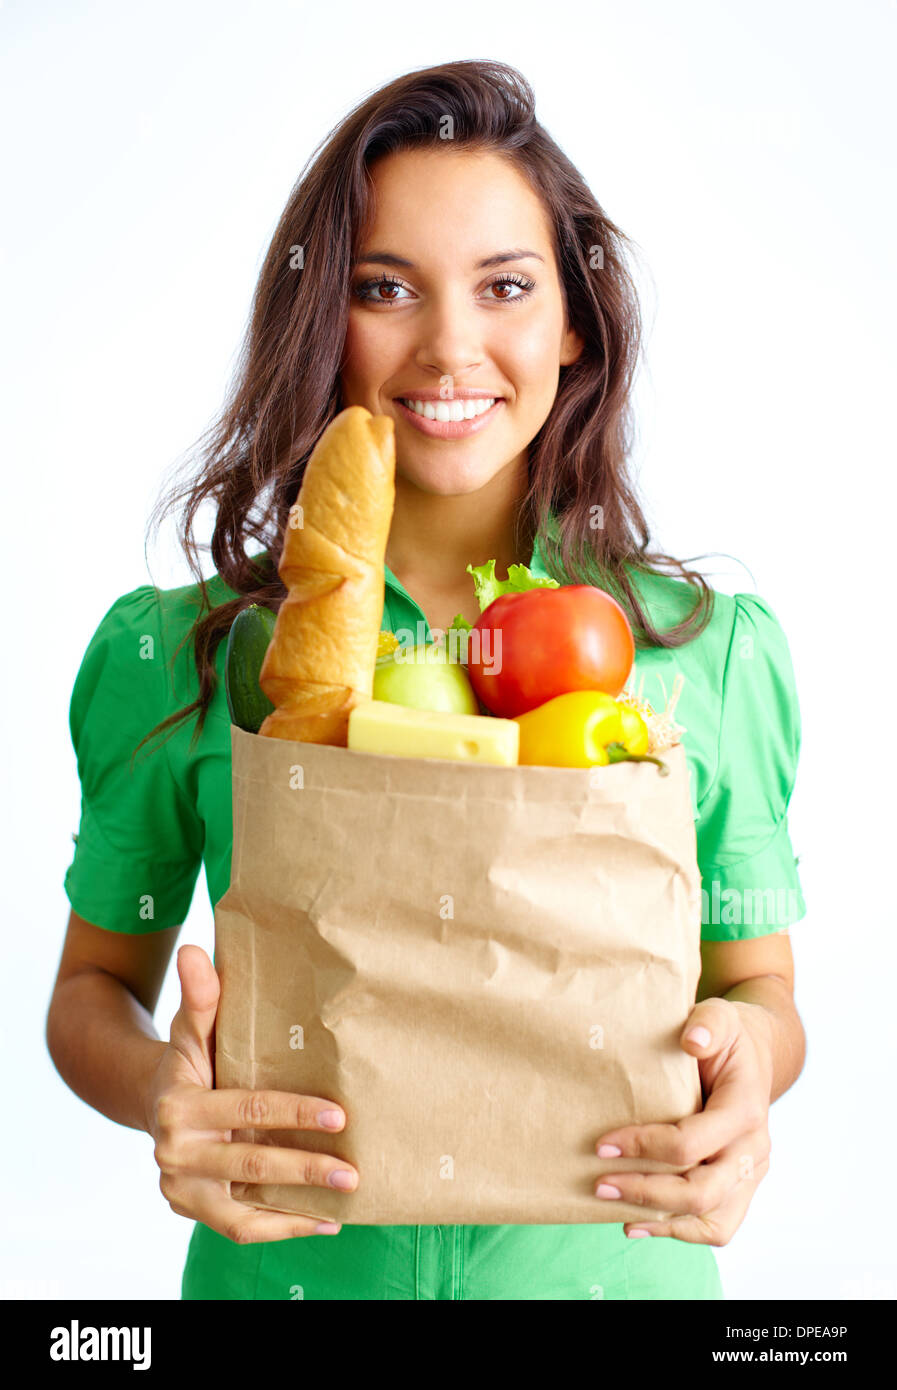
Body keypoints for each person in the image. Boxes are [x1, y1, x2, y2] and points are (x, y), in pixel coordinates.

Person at [47, 59, 807, 1301]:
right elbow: (92, 994)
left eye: (506, 286)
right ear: (322, 322)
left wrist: (748, 1079)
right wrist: (162, 1095)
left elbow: (760, 988)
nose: (450, 345)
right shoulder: (187, 652)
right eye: (384, 288)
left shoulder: (703, 651)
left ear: (573, 323)